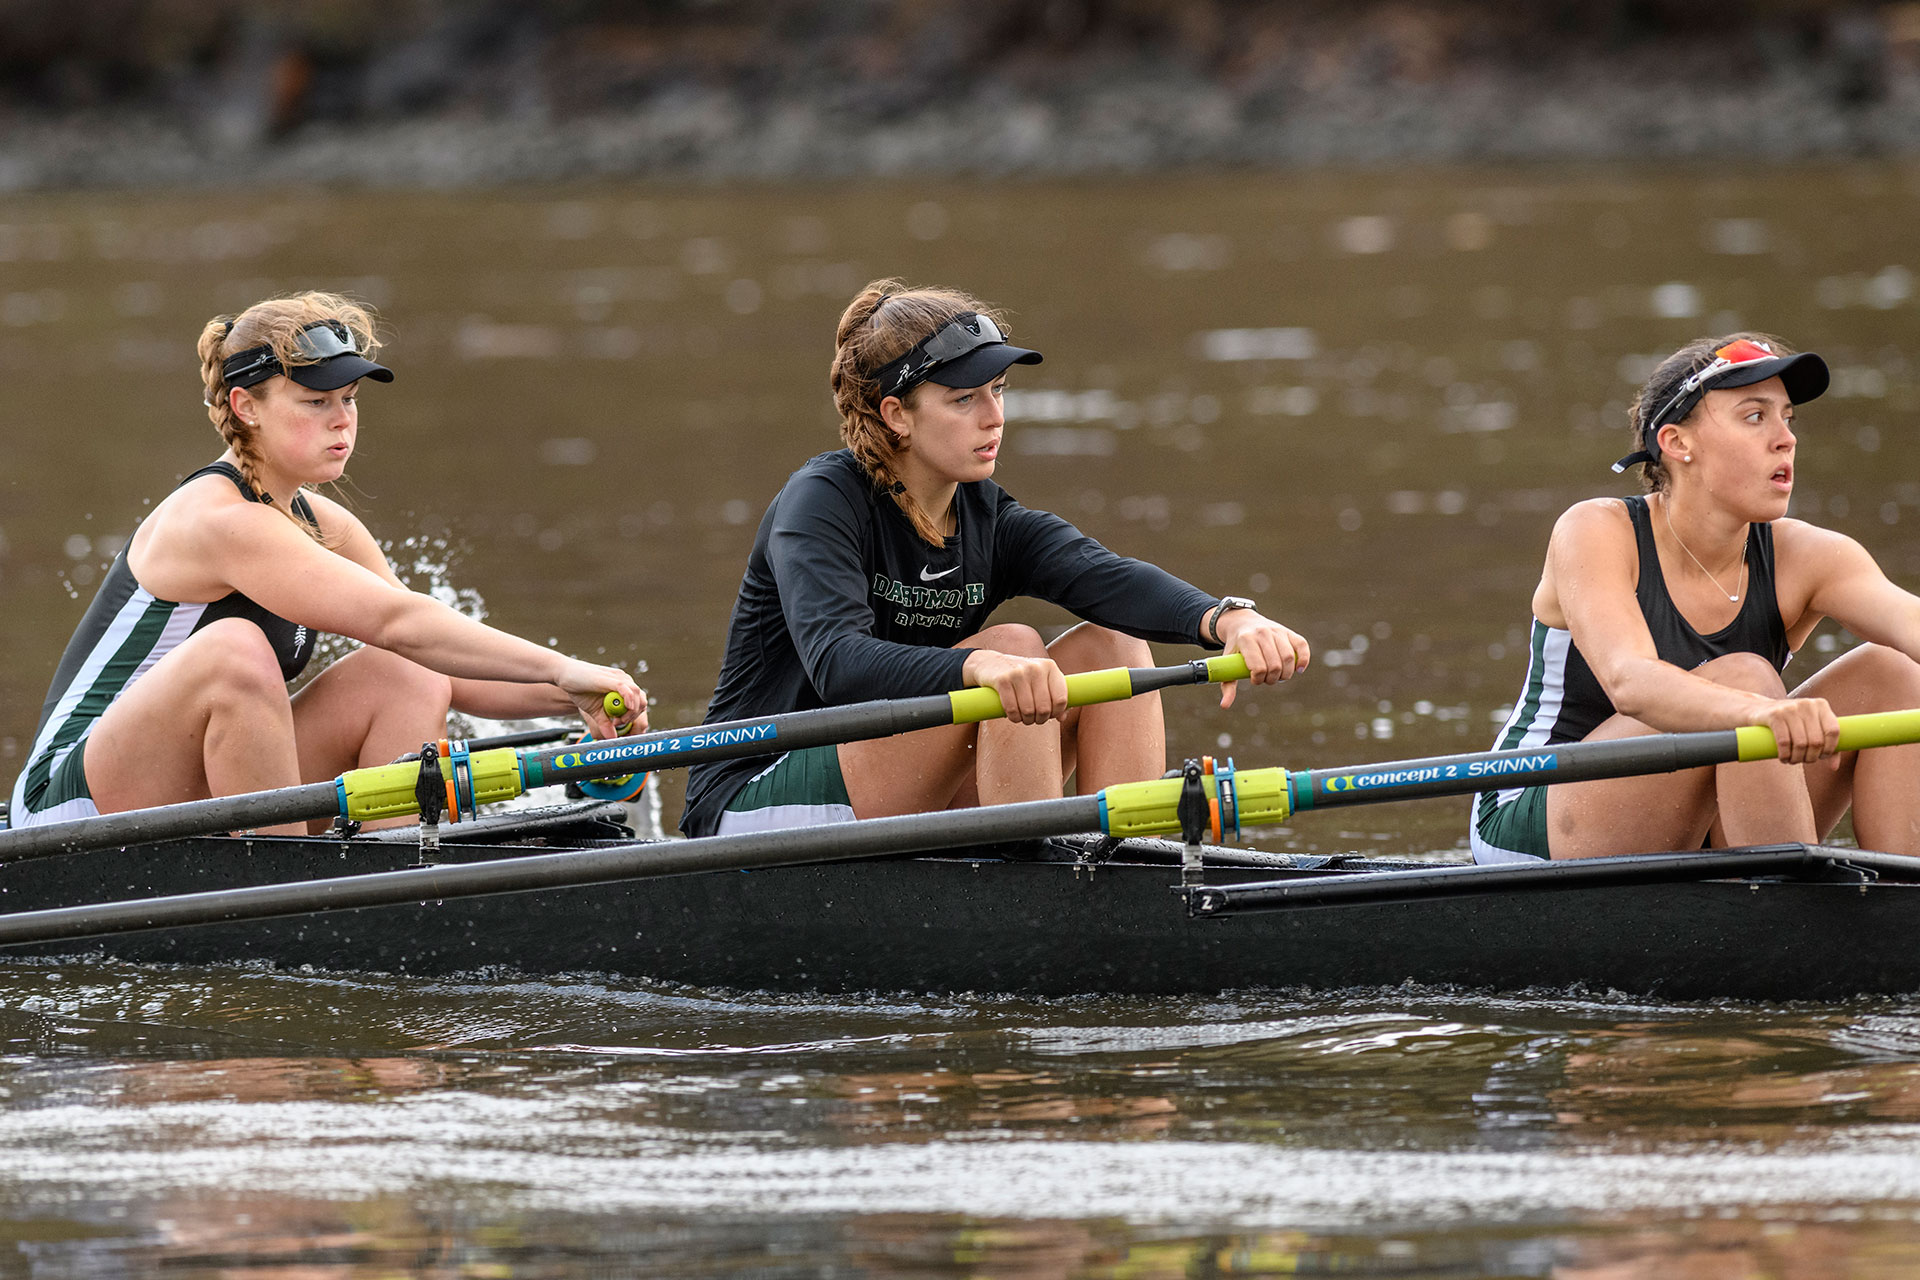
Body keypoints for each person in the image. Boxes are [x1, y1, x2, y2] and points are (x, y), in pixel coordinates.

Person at [680, 278, 1311, 838]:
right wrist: (980, 664)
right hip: (756, 794)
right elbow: (837, 665)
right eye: (963, 399)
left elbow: (1109, 578)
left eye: (999, 390)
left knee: (1112, 646)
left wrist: (1228, 621)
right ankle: (1034, 894)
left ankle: (1125, 862)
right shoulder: (822, 501)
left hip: (891, 785)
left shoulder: (989, 518)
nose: (994, 417)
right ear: (896, 414)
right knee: (1012, 645)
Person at [9, 291, 646, 833]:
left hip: (185, 788)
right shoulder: (215, 520)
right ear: (245, 407)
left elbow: (431, 651)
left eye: (349, 400)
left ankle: (398, 876)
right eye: (316, 404)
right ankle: (291, 893)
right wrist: (565, 667)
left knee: (407, 673)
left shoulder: (325, 526)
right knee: (236, 650)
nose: (342, 422)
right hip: (70, 804)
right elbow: (401, 618)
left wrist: (586, 700)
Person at [1473, 333, 1920, 863]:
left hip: (1712, 806)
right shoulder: (1595, 531)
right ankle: (1784, 920)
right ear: (1677, 443)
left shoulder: (1811, 555)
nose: (1785, 439)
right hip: (1541, 807)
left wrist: (1760, 714)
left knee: (1893, 674)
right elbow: (1630, 682)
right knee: (1746, 677)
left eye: (1787, 418)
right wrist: (1757, 711)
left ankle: (1899, 911)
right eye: (1755, 416)